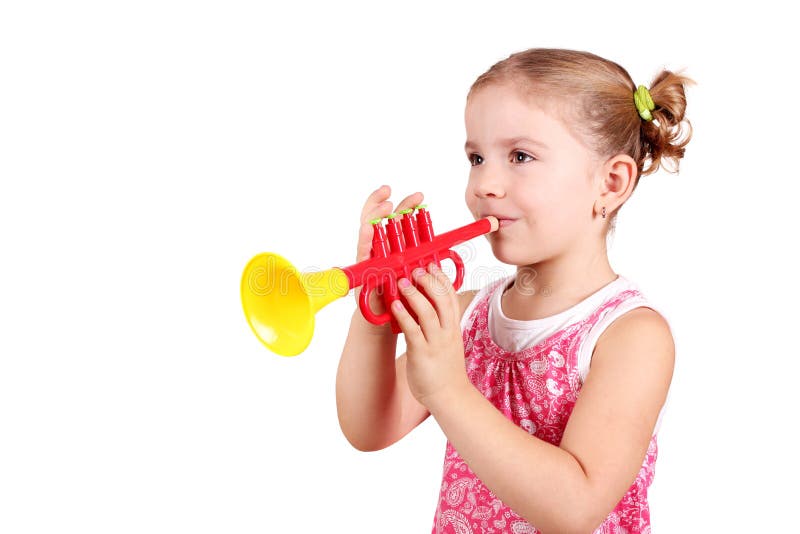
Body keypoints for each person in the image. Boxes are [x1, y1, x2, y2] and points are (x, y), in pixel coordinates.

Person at [336, 48, 692, 533]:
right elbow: (368, 428)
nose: (485, 183)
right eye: (476, 157)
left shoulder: (632, 337)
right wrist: (372, 316)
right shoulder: (464, 316)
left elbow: (576, 507)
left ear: (610, 183)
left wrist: (447, 389)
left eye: (520, 156)